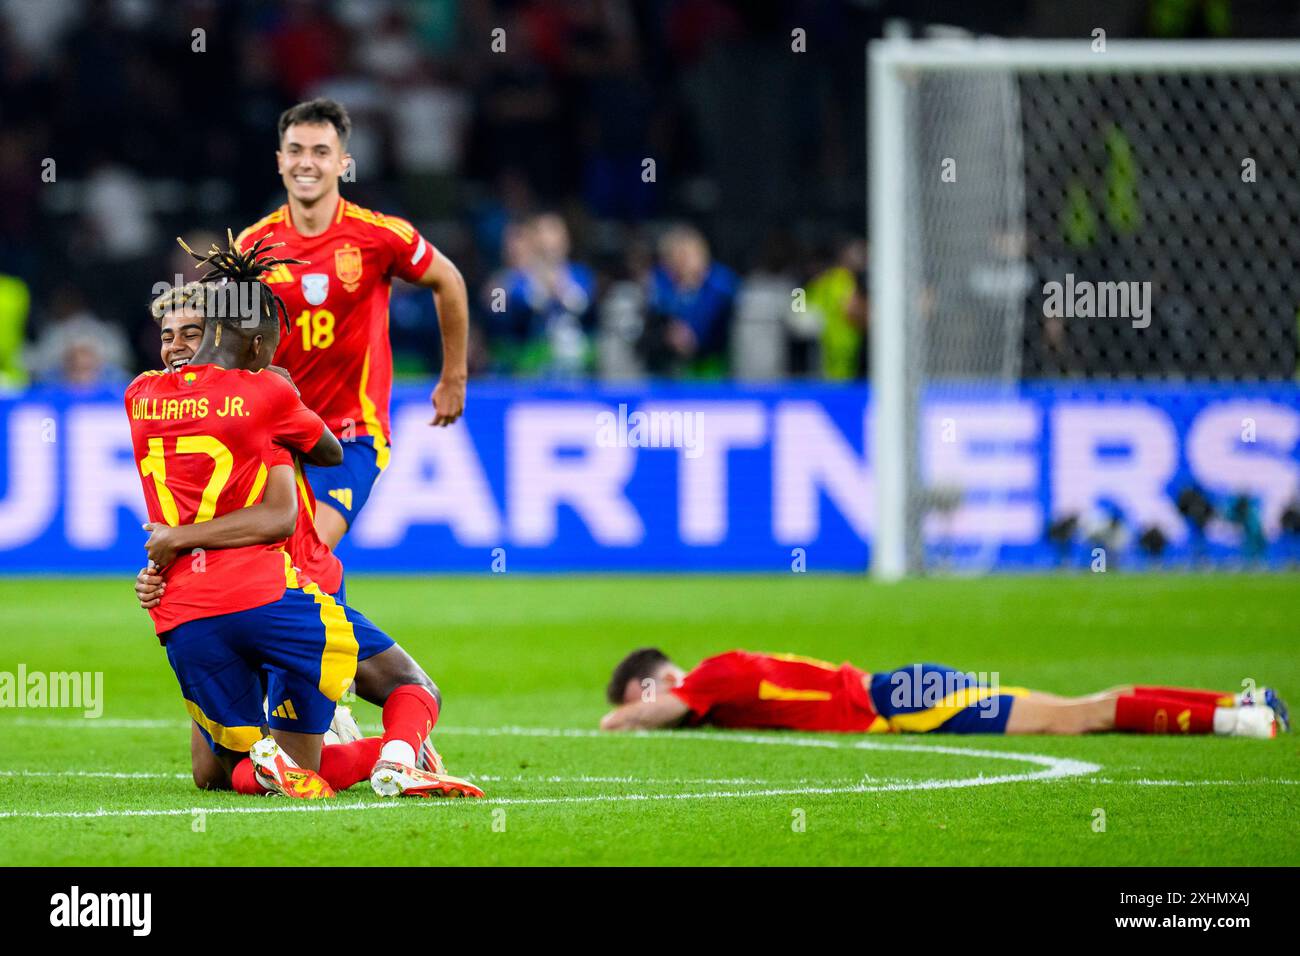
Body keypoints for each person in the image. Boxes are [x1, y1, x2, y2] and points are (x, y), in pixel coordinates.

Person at [126, 233, 482, 799]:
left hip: (262, 588)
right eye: (167, 336)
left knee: (247, 765)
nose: (176, 347)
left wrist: (170, 547)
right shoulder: (267, 395)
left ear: (218, 333)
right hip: (259, 592)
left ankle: (330, 750)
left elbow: (265, 510)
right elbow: (311, 471)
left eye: (190, 333)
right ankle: (393, 753)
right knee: (211, 774)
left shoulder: (142, 396)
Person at [234, 97, 470, 549]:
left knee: (308, 551)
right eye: (296, 150)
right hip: (276, 434)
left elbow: (449, 280)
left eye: (320, 152)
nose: (307, 162)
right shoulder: (253, 246)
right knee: (286, 566)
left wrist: (453, 376)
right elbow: (236, 344)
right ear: (280, 161)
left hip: (350, 433)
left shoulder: (378, 236)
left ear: (343, 163)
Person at [600, 647, 1289, 738]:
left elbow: (665, 708)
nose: (637, 708)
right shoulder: (720, 684)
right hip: (903, 692)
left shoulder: (707, 677)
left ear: (651, 680)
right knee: (1083, 708)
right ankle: (1238, 705)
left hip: (901, 699)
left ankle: (1241, 721)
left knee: (1080, 716)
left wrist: (618, 721)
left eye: (634, 695)